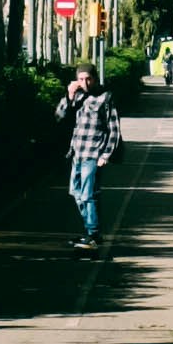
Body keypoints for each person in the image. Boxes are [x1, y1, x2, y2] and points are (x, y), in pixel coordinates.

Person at [65, 65, 124, 246]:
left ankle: (93, 233)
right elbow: (60, 115)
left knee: (88, 195)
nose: (85, 83)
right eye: (81, 79)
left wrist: (106, 154)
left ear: (95, 78)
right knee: (76, 192)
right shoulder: (78, 95)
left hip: (93, 152)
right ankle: (91, 231)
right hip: (77, 152)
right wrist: (69, 96)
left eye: (88, 79)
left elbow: (114, 128)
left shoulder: (105, 97)